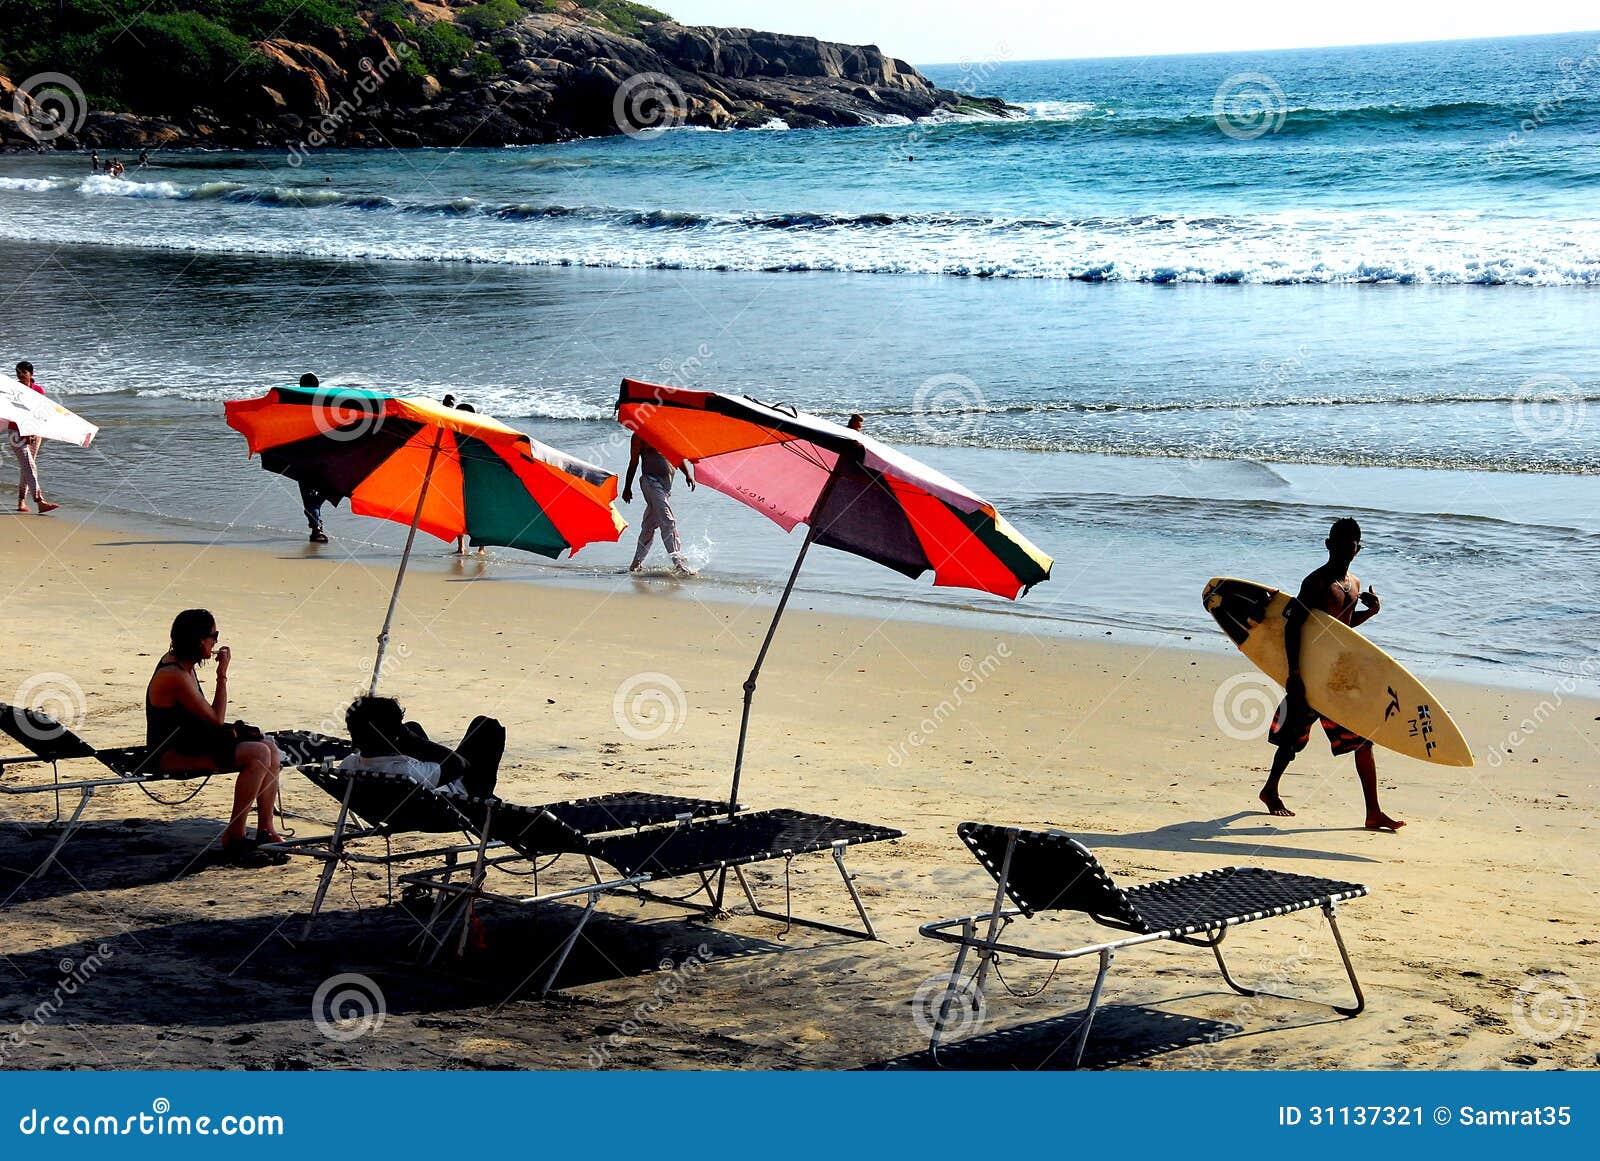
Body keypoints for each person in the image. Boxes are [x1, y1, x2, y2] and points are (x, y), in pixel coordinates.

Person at [1259, 517, 1403, 831]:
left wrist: (1371, 612)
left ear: (1358, 548)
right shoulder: (1315, 583)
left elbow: (1344, 629)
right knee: (1291, 740)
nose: (1344, 551)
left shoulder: (1354, 584)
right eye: (1338, 545)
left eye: (1350, 546)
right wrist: (1295, 673)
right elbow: (1294, 627)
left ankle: (1373, 812)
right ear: (1328, 545)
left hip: (1338, 678)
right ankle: (1270, 789)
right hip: (1311, 675)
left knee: (1363, 742)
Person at [144, 609, 286, 865]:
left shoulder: (183, 664)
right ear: (198, 639)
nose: (215, 642)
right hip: (169, 754)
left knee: (270, 748)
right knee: (259, 754)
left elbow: (206, 722)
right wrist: (222, 674)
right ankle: (235, 835)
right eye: (213, 636)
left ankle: (266, 829)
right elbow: (216, 719)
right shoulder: (175, 675)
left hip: (190, 743)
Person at [340, 696, 503, 798]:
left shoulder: (348, 765)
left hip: (396, 802)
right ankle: (488, 798)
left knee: (413, 726)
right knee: (487, 726)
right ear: (395, 735)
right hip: (456, 796)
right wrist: (412, 739)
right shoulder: (408, 772)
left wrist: (402, 734)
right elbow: (459, 765)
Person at [623, 432, 696, 575]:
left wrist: (687, 474)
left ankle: (635, 564)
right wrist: (627, 487)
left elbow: (677, 457)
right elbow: (633, 462)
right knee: (668, 521)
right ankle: (678, 564)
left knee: (649, 525)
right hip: (650, 482)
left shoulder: (669, 432)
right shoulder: (640, 435)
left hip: (665, 488)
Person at [9, 362, 58, 514]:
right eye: (18, 372)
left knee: (27, 467)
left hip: (35, 433)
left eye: (24, 372)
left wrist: (32, 432)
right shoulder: (12, 389)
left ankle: (21, 501)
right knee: (30, 466)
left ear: (31, 374)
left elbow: (38, 413)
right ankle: (40, 501)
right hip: (16, 433)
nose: (20, 375)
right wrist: (26, 431)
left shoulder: (38, 390)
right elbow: (14, 413)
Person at [441, 394, 481, 554]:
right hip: (457, 472)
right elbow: (442, 421)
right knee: (458, 508)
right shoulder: (455, 429)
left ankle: (480, 547)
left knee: (476, 509)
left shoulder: (477, 431)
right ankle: (461, 546)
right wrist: (445, 407)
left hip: (474, 475)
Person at [296, 372, 330, 542]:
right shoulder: (325, 404)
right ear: (317, 386)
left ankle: (315, 523)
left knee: (307, 494)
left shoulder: (293, 404)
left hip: (301, 458)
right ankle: (316, 527)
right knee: (330, 488)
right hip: (322, 457)